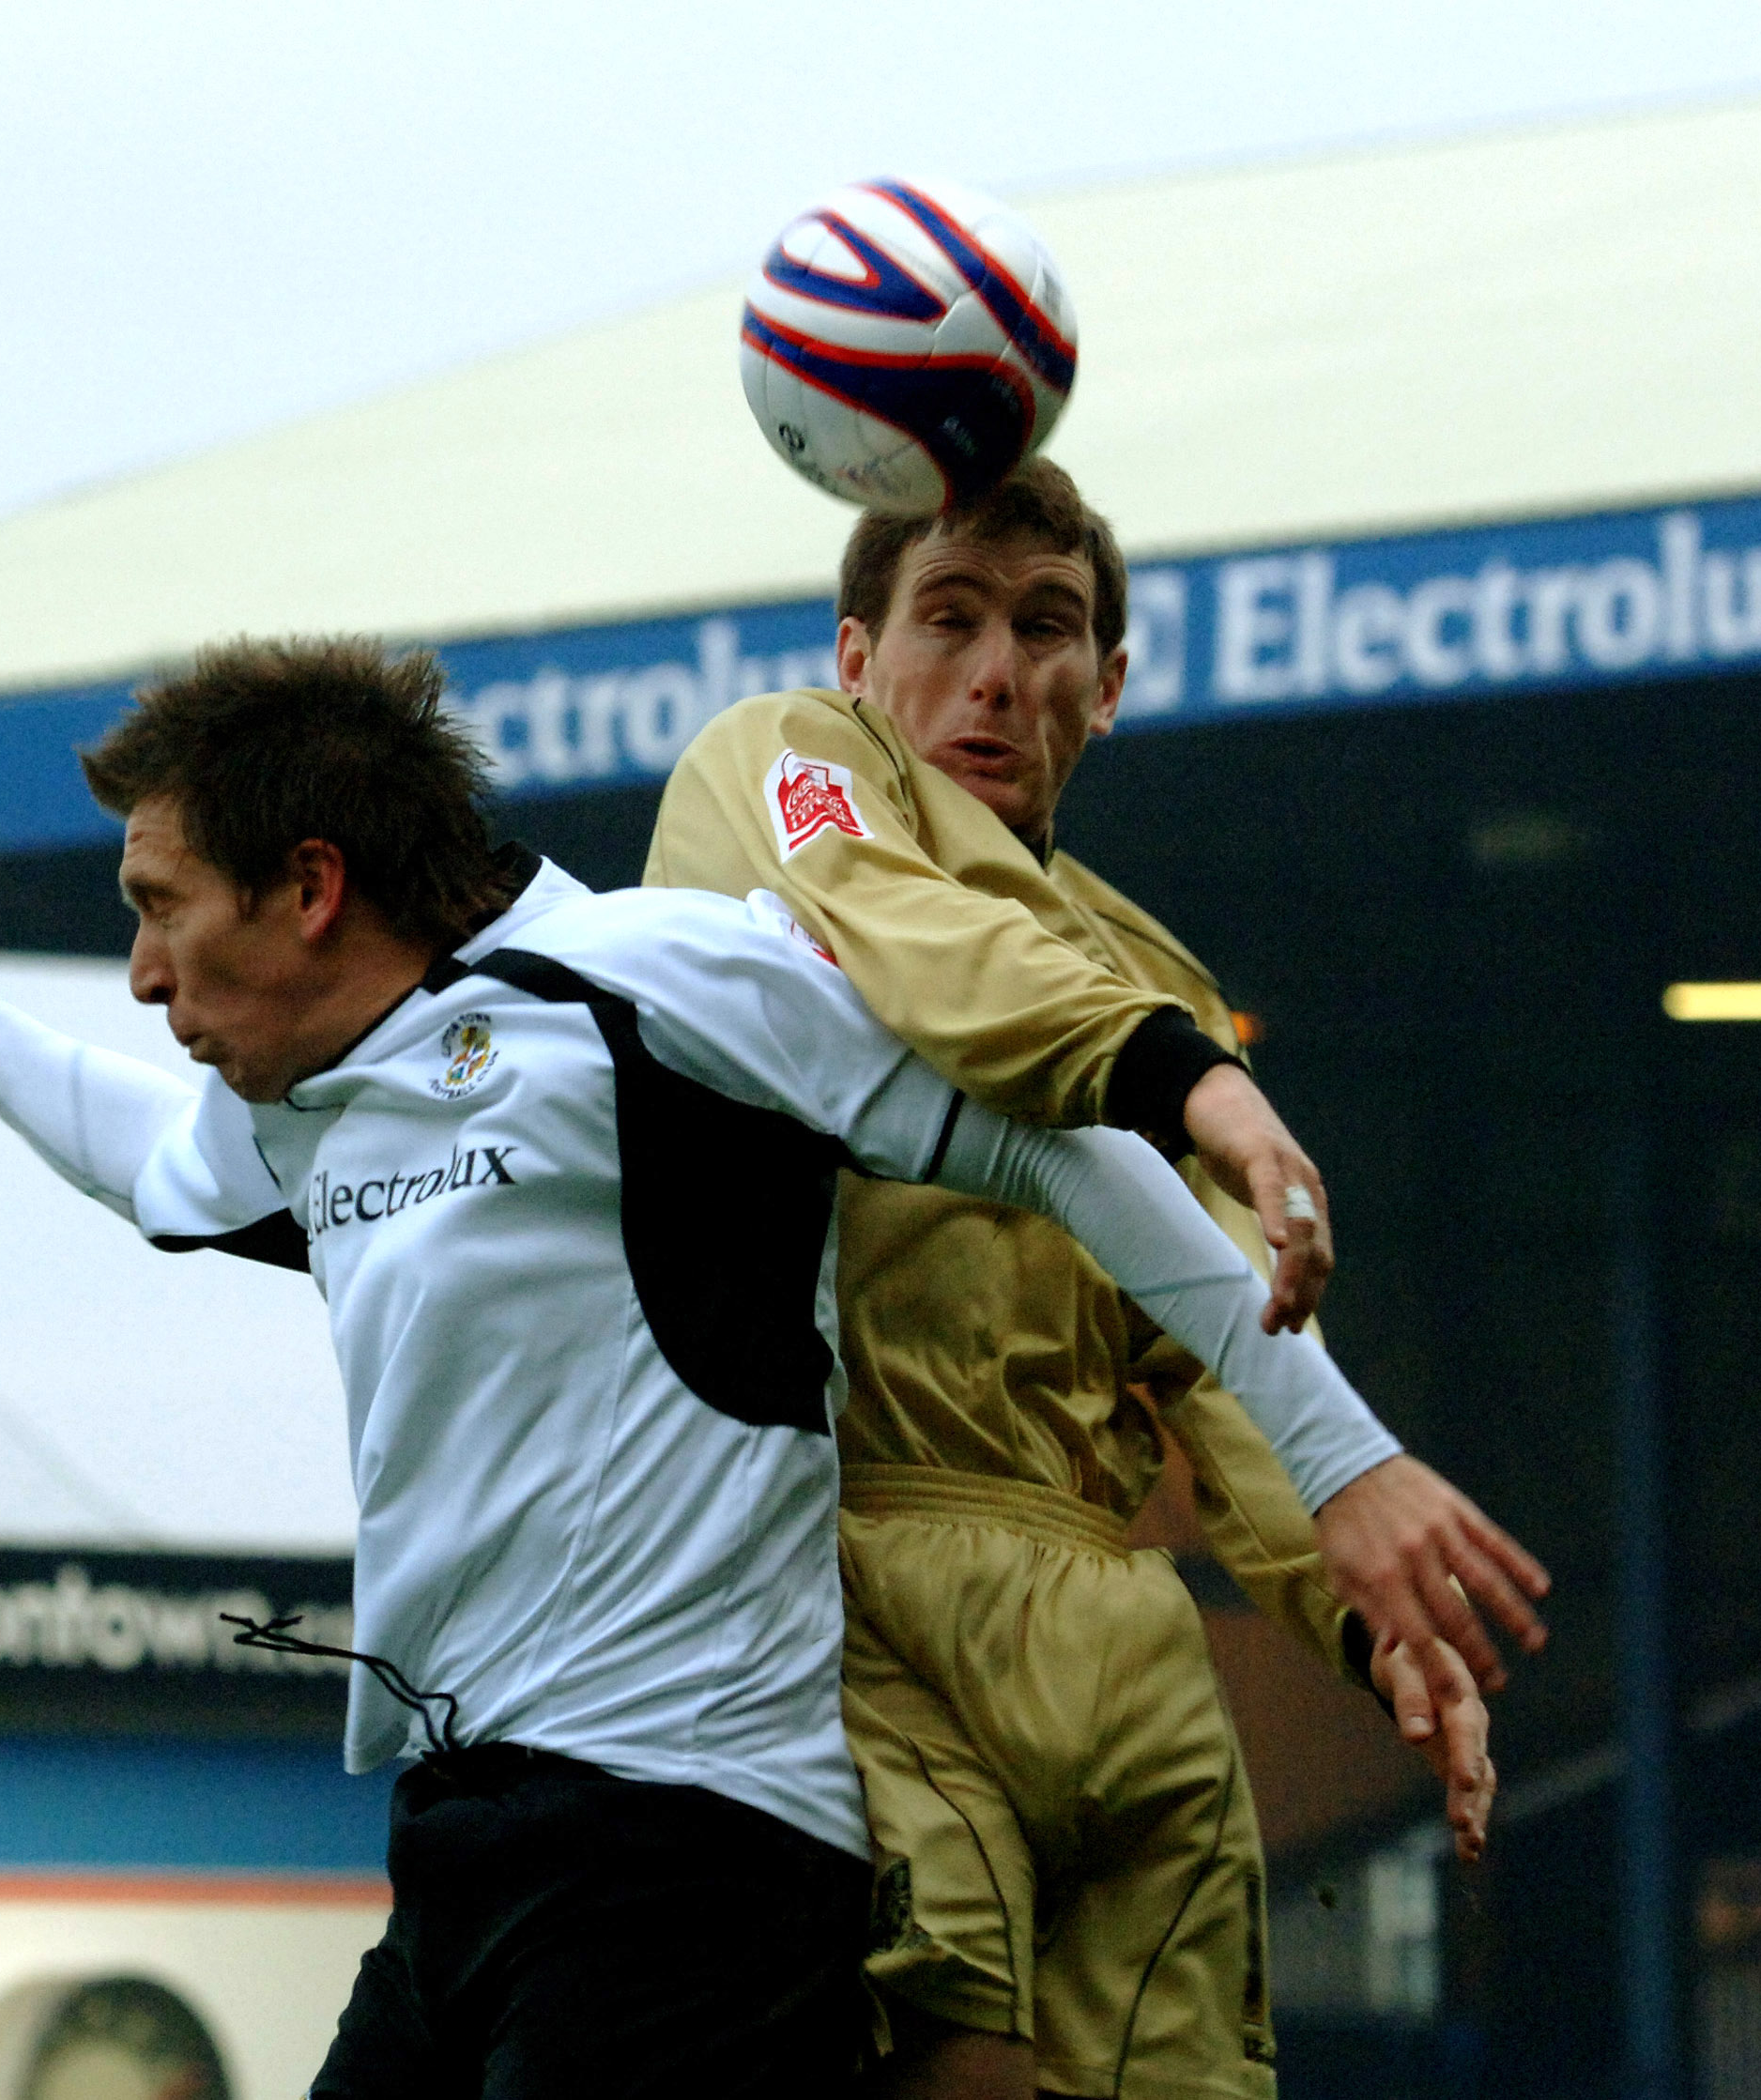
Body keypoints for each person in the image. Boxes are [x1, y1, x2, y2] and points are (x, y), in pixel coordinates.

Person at [0, 637, 1422, 2100]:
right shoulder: (317, 1104)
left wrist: (1341, 1457)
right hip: (461, 1850)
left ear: (312, 885)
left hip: (686, 1846)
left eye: (159, 908)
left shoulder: (650, 979)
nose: (141, 972)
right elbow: (131, 1148)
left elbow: (1060, 1146)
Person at [644, 460, 1546, 2098]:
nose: (996, 673)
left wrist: (1374, 1623)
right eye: (949, 618)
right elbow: (932, 945)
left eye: (1045, 627)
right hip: (847, 1590)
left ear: (1109, 685)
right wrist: (1195, 1082)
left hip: (1119, 1636)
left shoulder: (1153, 977)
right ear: (855, 656)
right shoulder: (784, 774)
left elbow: (1227, 1348)